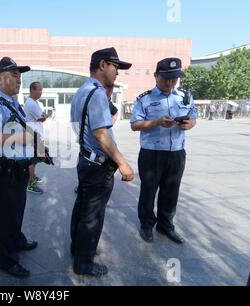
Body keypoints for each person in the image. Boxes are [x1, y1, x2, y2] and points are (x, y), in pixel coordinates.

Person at [70, 47, 135, 277]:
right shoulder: (97, 92)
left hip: (86, 159)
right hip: (97, 165)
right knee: (92, 215)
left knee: (82, 208)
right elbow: (101, 134)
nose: (117, 73)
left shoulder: (81, 91)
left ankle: (77, 248)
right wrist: (123, 163)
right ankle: (83, 263)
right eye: (115, 67)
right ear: (102, 65)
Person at [0, 57, 39, 279]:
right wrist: (20, 137)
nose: (18, 79)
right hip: (6, 170)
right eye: (13, 74)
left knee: (17, 210)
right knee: (7, 216)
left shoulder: (13, 103)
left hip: (19, 168)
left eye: (19, 75)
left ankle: (17, 240)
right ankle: (7, 259)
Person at [131, 58, 198, 245]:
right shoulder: (144, 99)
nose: (170, 83)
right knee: (148, 190)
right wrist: (157, 122)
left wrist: (189, 124)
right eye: (166, 79)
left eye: (174, 79)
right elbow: (135, 125)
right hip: (152, 153)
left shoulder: (185, 95)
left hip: (176, 152)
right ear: (156, 76)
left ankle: (165, 225)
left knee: (171, 191)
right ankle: (146, 224)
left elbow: (193, 117)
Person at [24, 82, 48, 195]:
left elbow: (42, 115)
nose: (41, 92)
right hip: (33, 136)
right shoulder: (31, 104)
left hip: (35, 135)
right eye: (39, 90)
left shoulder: (33, 102)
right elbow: (42, 117)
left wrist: (43, 116)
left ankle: (32, 176)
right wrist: (45, 116)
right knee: (32, 160)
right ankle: (30, 184)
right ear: (32, 90)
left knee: (36, 159)